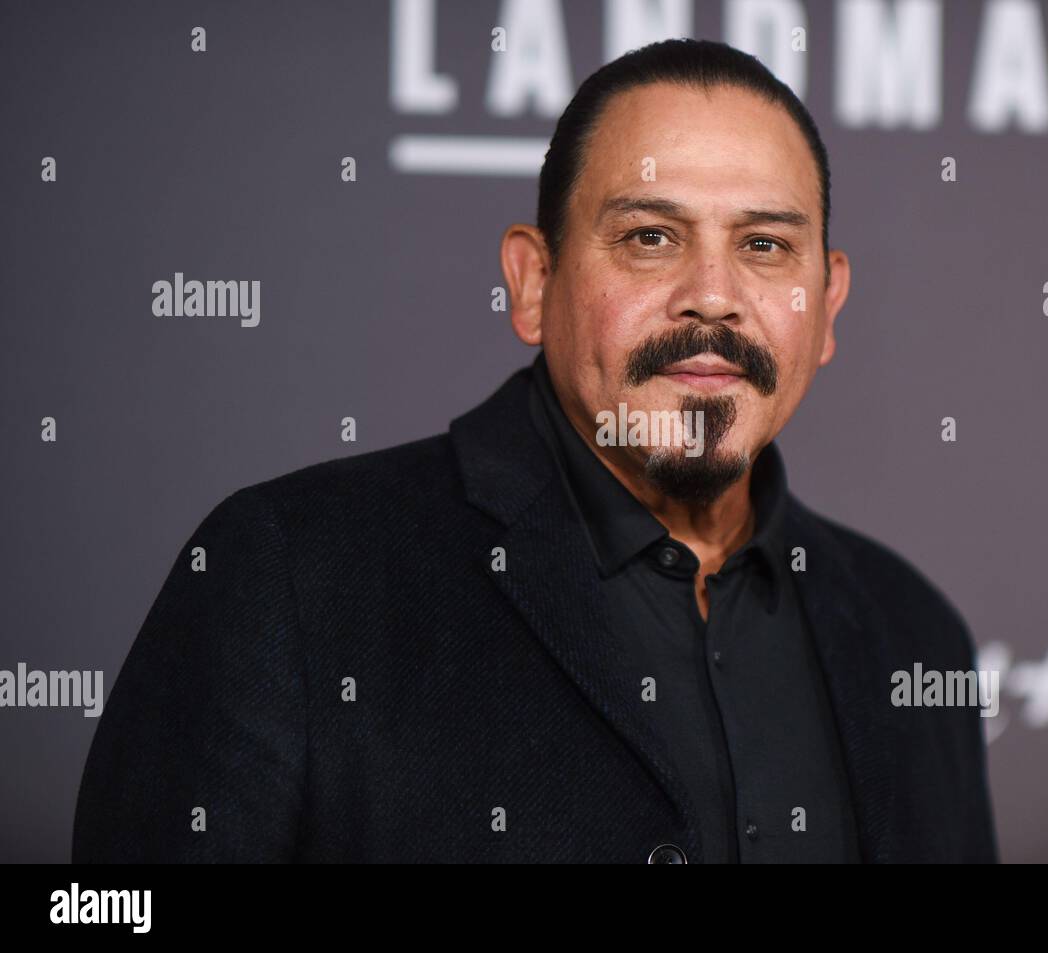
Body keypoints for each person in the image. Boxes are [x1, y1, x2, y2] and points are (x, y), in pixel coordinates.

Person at [73, 38, 997, 864]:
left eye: (763, 244)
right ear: (532, 281)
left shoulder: (912, 636)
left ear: (825, 306)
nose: (713, 296)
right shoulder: (288, 574)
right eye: (650, 237)